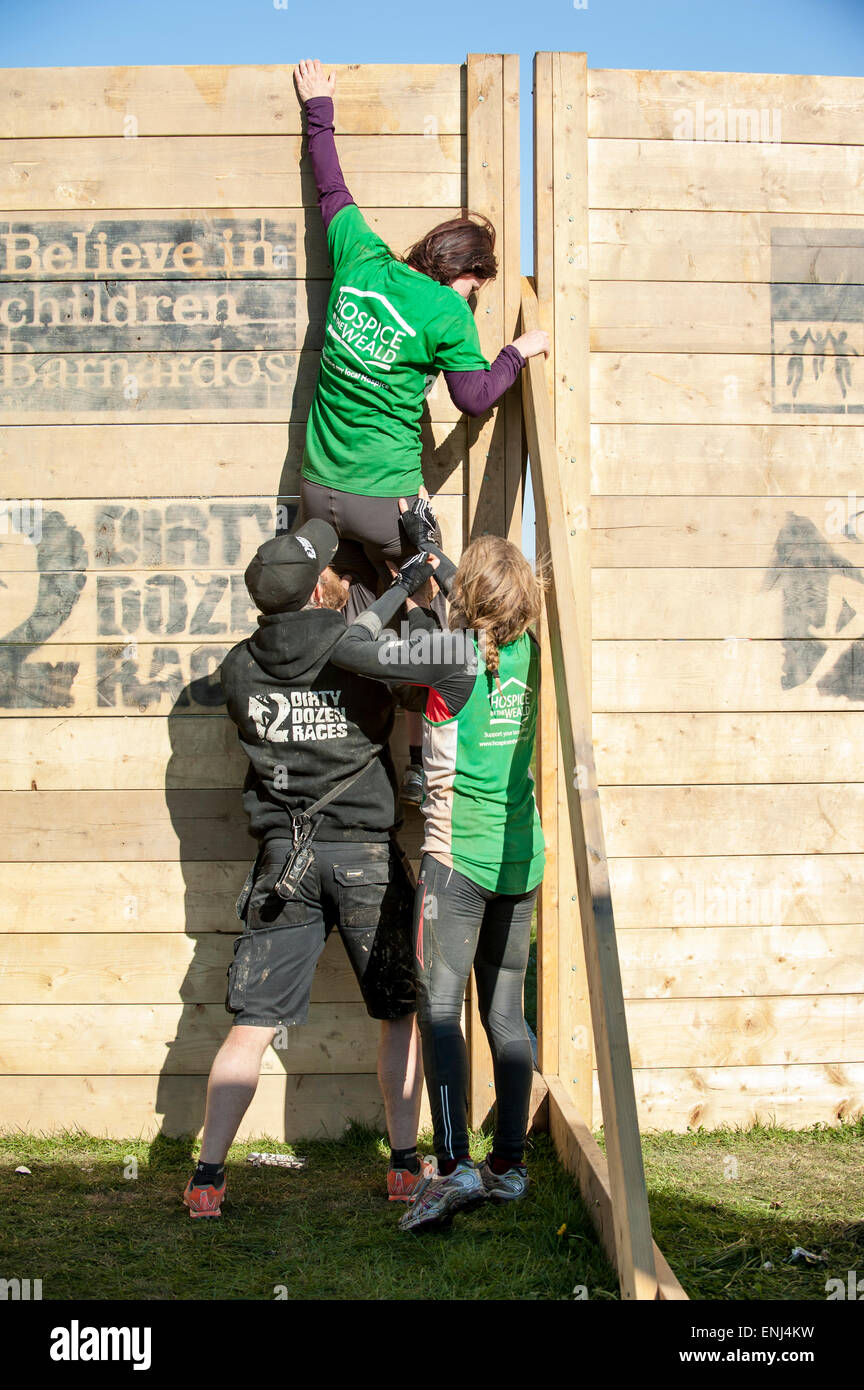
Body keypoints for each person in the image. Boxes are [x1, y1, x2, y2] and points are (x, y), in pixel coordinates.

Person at [292, 58, 549, 803]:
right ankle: (417, 768)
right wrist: (515, 353)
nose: (475, 298)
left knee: (336, 609)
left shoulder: (358, 259)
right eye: (478, 285)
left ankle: (330, 756)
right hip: (387, 504)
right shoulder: (444, 317)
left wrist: (321, 105)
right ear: (461, 273)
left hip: (317, 491)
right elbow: (473, 400)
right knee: (430, 618)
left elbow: (331, 186)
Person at [182, 519, 437, 1218]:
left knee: (252, 1024)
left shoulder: (237, 668)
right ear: (324, 591)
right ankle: (405, 1168)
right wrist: (419, 587)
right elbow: (428, 669)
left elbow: (294, 665)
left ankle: (207, 1178)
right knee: (396, 1014)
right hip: (363, 858)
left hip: (282, 862)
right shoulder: (357, 652)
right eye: (336, 573)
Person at [330, 499, 546, 1232]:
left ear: (471, 602)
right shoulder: (528, 648)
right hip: (521, 857)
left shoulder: (450, 656)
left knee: (441, 1010)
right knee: (506, 1014)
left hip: (456, 863)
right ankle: (508, 1167)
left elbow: (353, 646)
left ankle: (452, 1169)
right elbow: (483, 611)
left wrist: (401, 586)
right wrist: (435, 562)